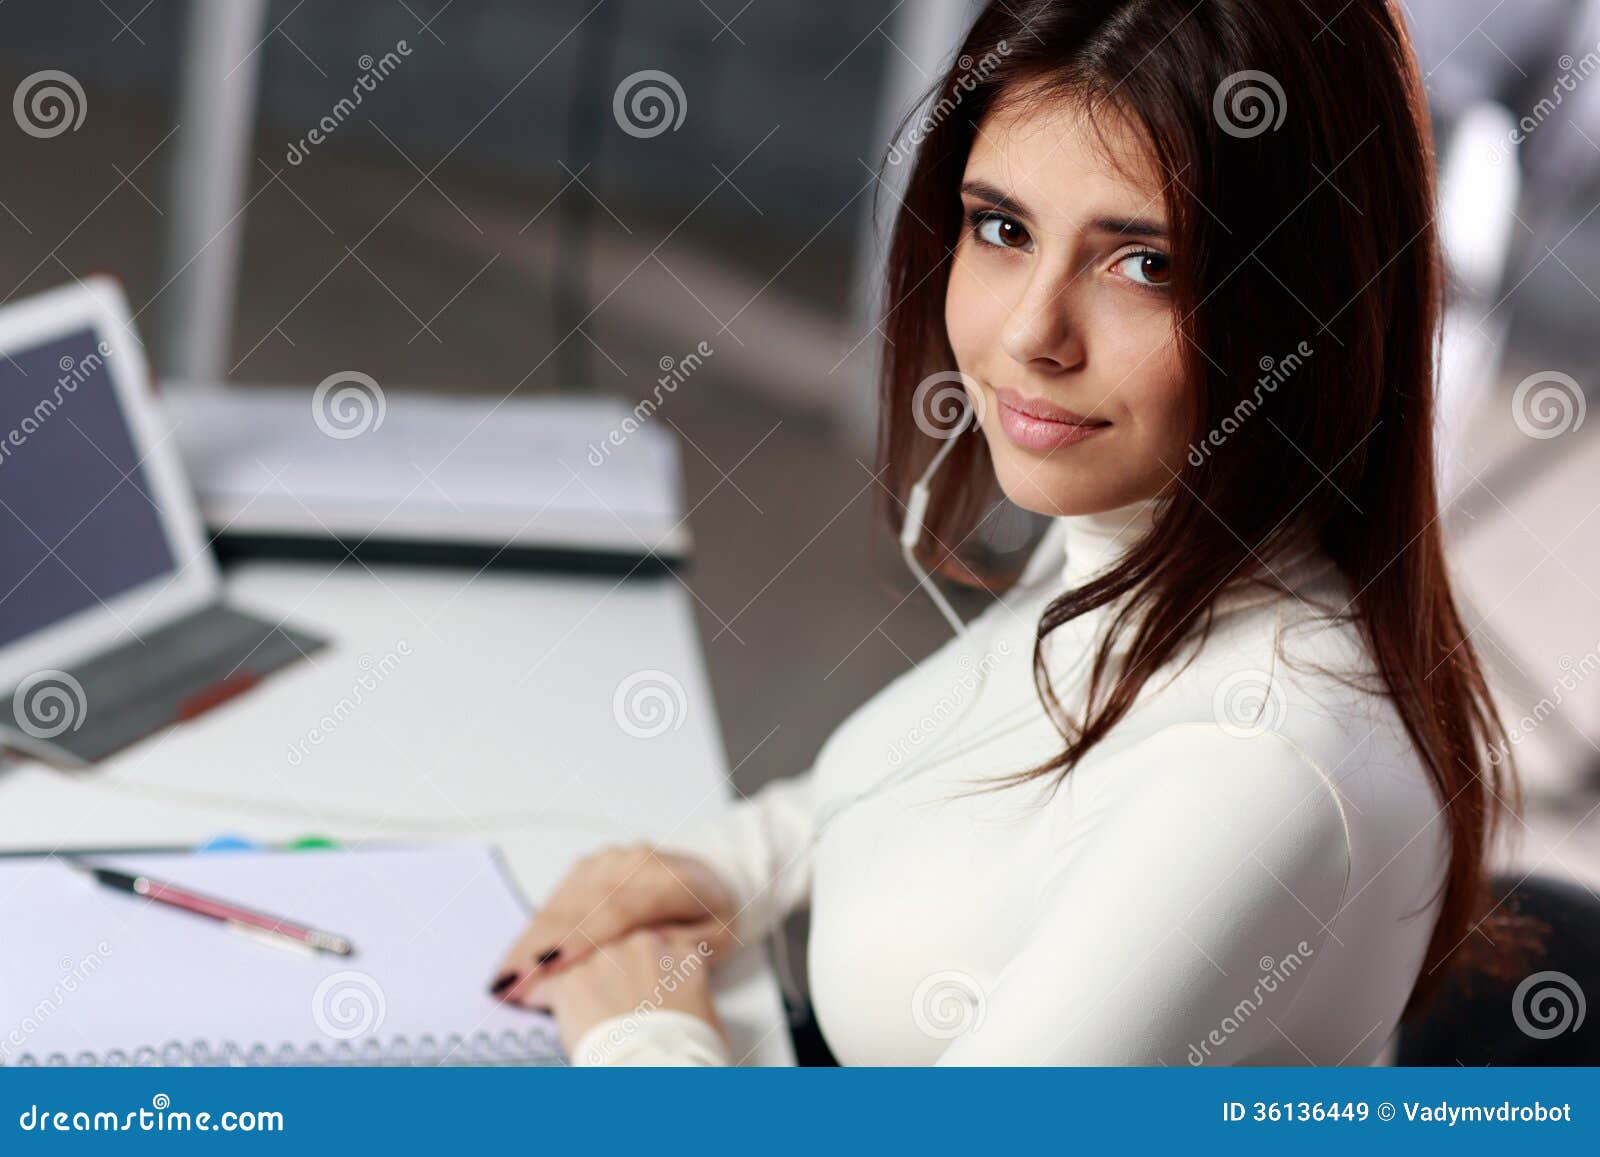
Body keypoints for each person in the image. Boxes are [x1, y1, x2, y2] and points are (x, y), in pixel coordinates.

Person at [490, 0, 1539, 1065]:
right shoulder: (1138, 532)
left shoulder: (1262, 769)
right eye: (1002, 227)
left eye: (1145, 264)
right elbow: (909, 783)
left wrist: (640, 1028)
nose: (1031, 334)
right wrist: (727, 867)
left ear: (1313, 298)